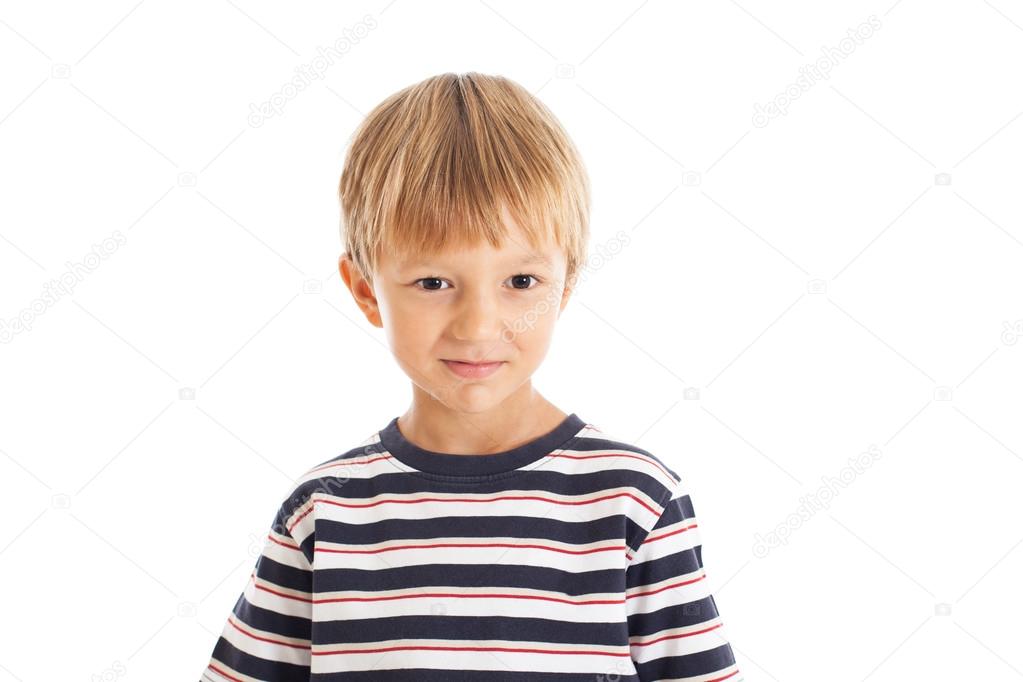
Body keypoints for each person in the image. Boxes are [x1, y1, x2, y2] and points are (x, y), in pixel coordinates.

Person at [201, 72, 741, 681]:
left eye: (520, 282)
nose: (479, 326)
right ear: (365, 291)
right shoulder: (326, 514)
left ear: (564, 286)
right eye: (433, 283)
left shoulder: (633, 503)